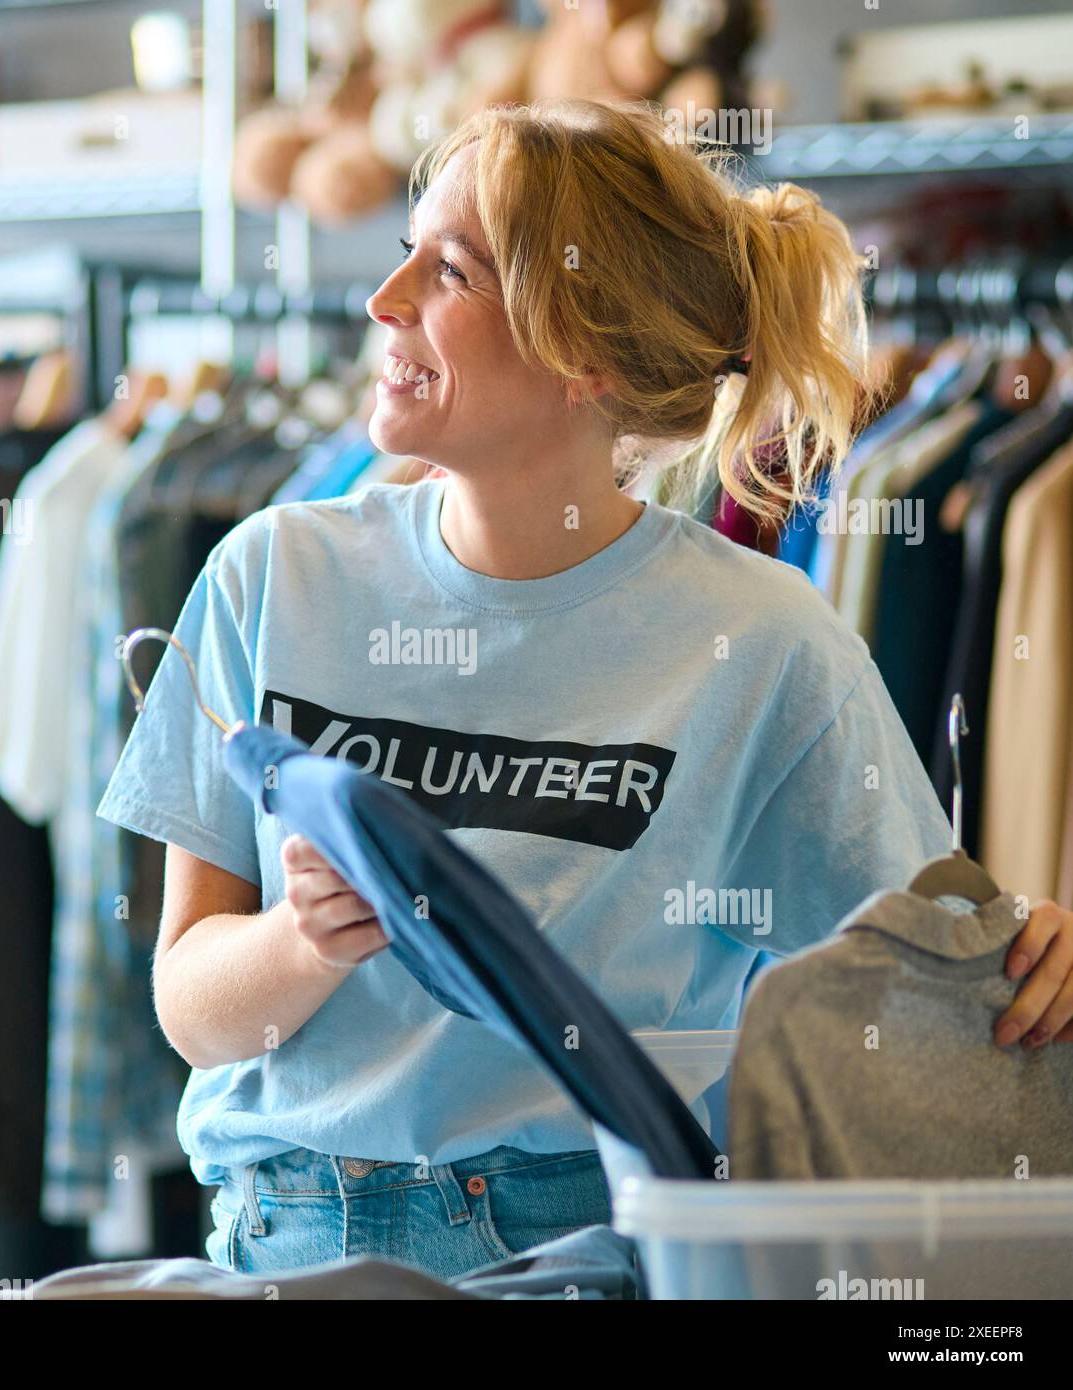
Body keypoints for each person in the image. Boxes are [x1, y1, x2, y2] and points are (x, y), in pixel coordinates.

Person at [97, 99, 1073, 1283]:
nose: (383, 296)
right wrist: (309, 940)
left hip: (580, 1252)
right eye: (406, 245)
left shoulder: (764, 643)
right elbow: (194, 1009)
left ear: (585, 353)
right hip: (283, 1240)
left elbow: (933, 1005)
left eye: (448, 267)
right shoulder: (269, 573)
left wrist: (1031, 962)